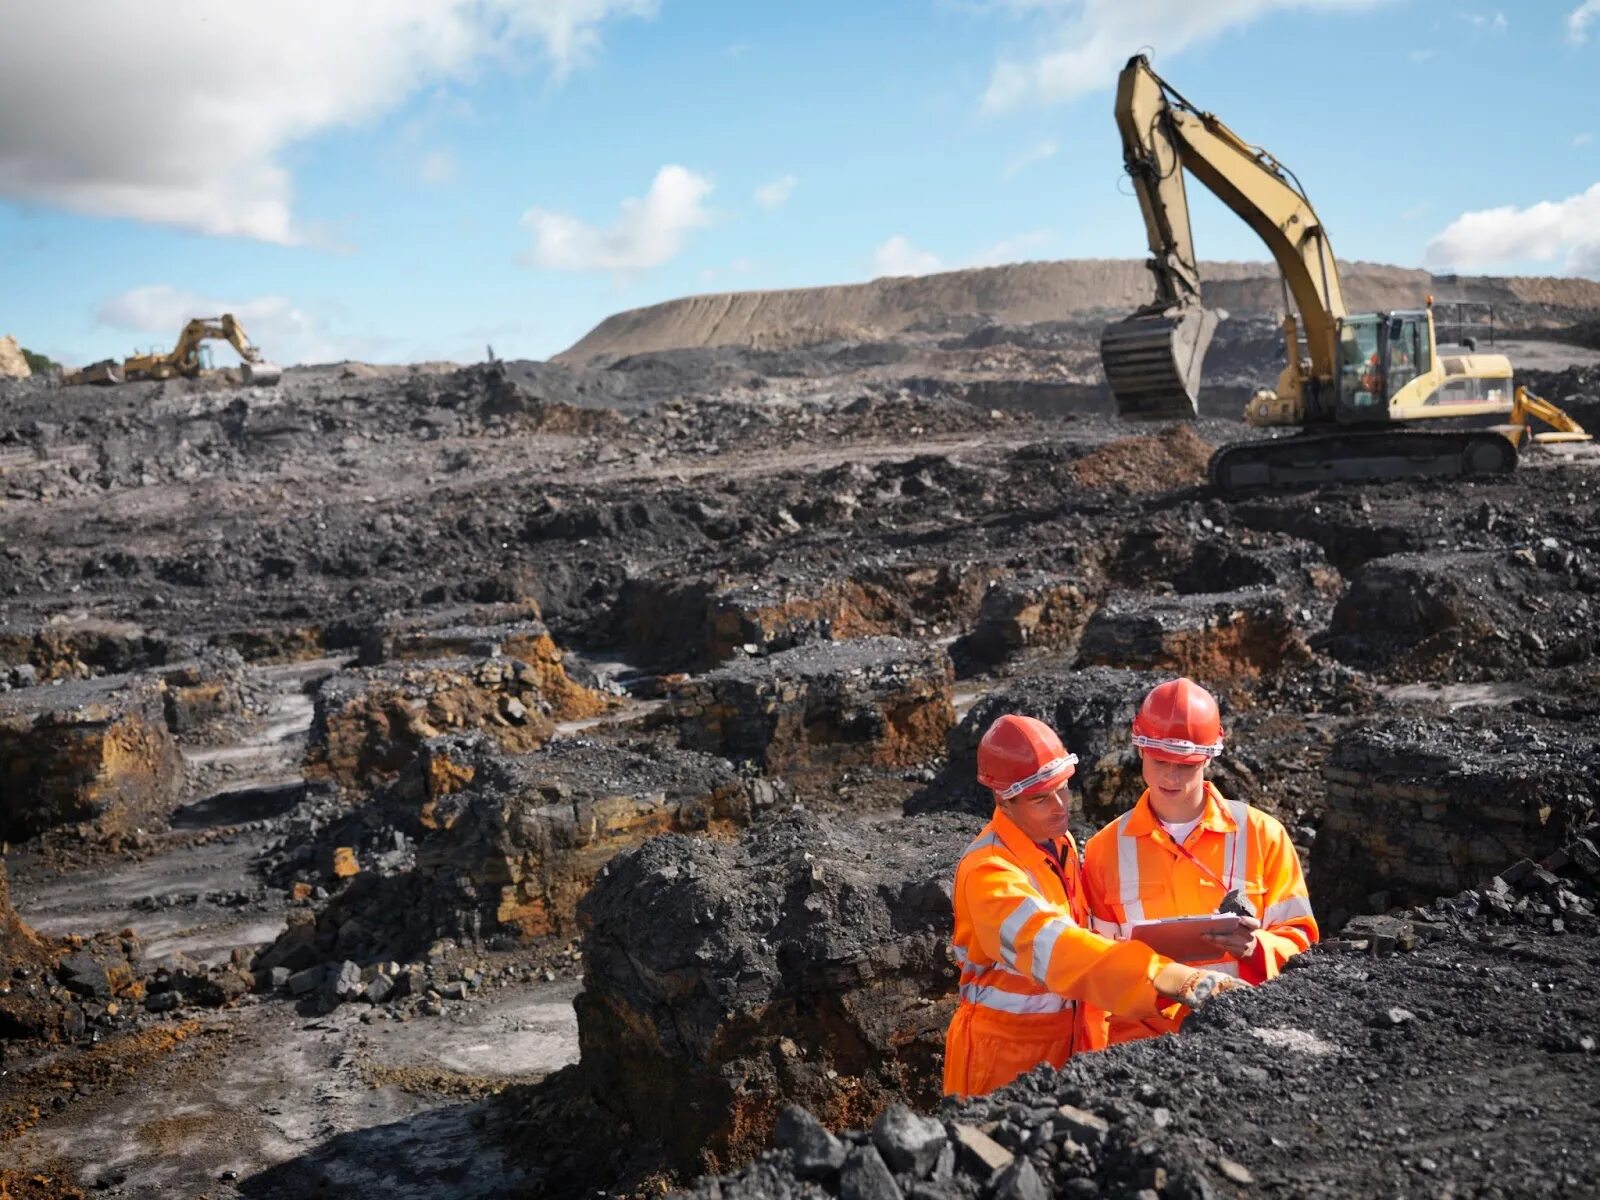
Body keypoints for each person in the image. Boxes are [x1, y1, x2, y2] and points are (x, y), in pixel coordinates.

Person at [944, 713, 1243, 1097]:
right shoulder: (988, 873)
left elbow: (1089, 937)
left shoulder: (1058, 844)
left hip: (1071, 1047)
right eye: (1040, 798)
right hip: (1002, 1062)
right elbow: (1056, 947)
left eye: (1063, 789)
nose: (1060, 806)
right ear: (1004, 799)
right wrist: (1165, 977)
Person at [1083, 678, 1319, 1045]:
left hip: (1244, 1030)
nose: (1171, 776)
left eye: (1186, 765)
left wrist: (1257, 948)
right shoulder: (1104, 850)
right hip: (1142, 1043)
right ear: (1140, 750)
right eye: (1160, 761)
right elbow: (1099, 962)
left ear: (1209, 757)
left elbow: (1301, 940)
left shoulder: (1263, 835)